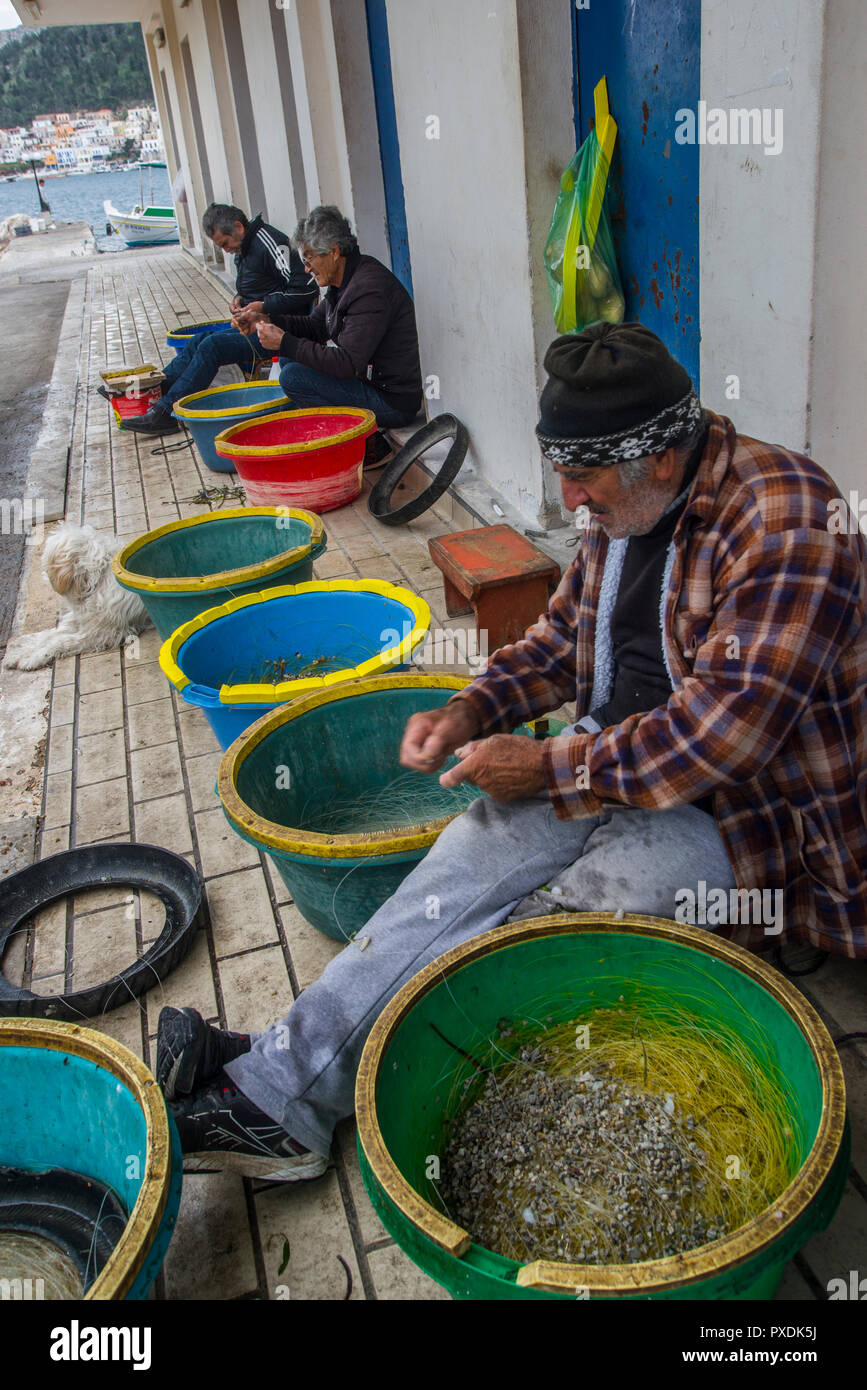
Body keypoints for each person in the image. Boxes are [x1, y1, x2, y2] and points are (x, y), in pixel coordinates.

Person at [155, 322, 867, 1181]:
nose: (568, 501)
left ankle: (350, 1077)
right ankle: (279, 1086)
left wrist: (545, 769)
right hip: (605, 761)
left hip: (746, 819)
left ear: (664, 459)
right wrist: (472, 707)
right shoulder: (624, 501)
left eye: (580, 477)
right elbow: (560, 639)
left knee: (536, 936)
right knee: (452, 876)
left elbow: (724, 736)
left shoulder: (786, 518)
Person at [233, 205, 423, 468]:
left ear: (334, 252)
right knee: (290, 362)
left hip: (393, 400)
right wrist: (265, 320)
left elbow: (347, 364)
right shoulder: (344, 279)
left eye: (309, 259)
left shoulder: (368, 288)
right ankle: (355, 441)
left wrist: (285, 341)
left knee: (293, 376)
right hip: (367, 383)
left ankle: (371, 447)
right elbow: (315, 326)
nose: (307, 268)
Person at [122, 203, 316, 435]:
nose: (225, 251)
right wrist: (239, 299)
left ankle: (165, 414)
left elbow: (305, 289)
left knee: (212, 346)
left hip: (280, 331)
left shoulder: (270, 241)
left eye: (224, 243)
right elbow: (256, 287)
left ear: (237, 227)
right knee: (199, 340)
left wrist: (262, 306)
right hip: (256, 324)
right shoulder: (244, 250)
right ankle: (156, 393)